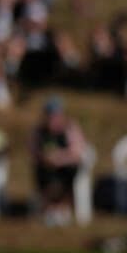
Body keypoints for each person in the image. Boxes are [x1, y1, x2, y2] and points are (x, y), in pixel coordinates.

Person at [31, 97, 89, 226]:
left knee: (71, 172)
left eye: (56, 114)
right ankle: (49, 208)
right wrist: (45, 158)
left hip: (67, 165)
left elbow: (78, 152)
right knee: (42, 174)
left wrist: (59, 158)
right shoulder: (39, 131)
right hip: (46, 166)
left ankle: (64, 207)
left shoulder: (71, 128)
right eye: (50, 115)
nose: (53, 118)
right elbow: (34, 152)